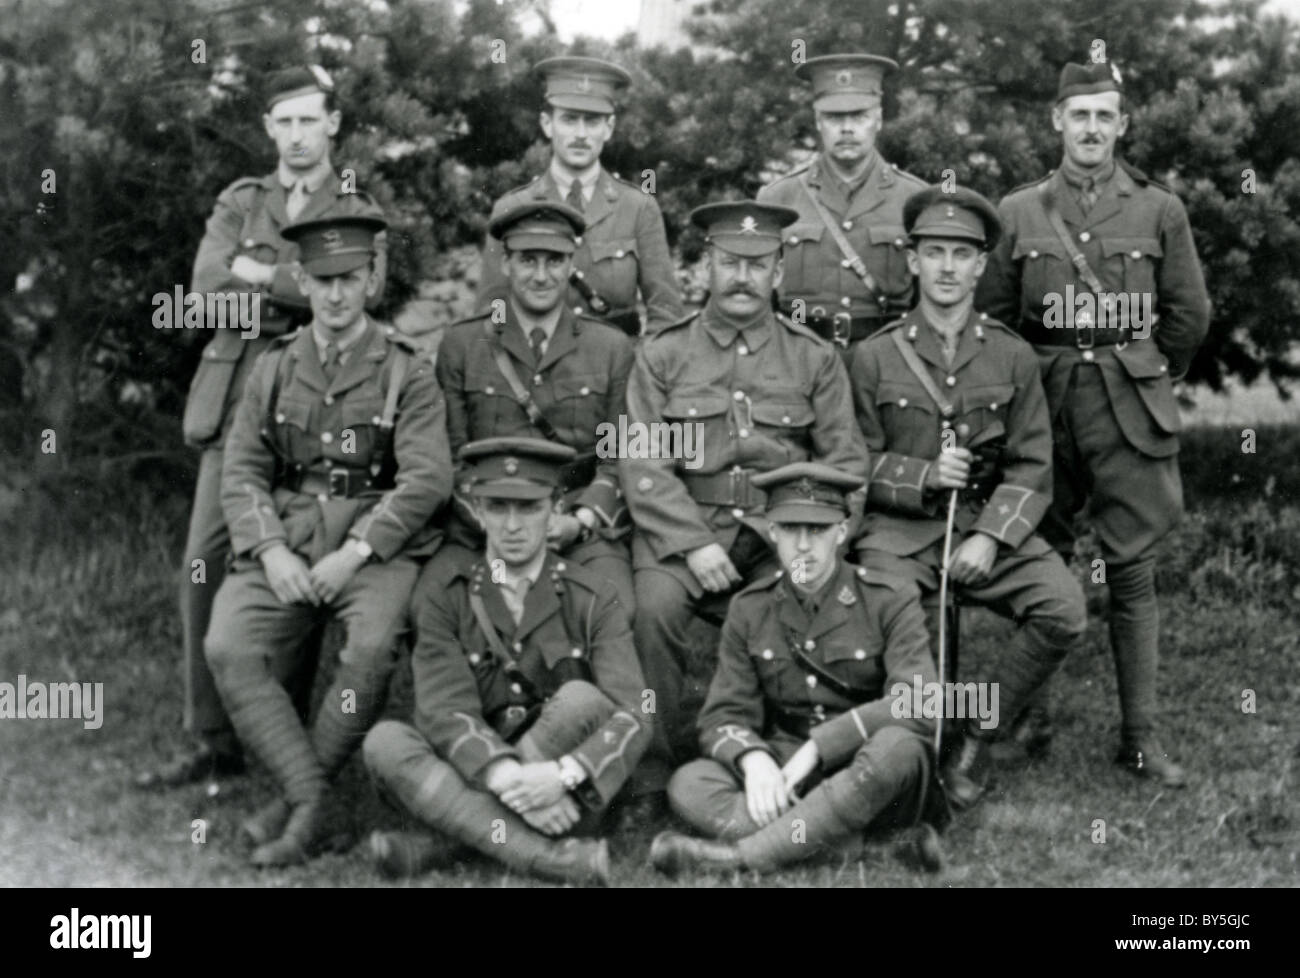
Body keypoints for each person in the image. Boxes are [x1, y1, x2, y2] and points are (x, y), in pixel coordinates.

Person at [138, 65, 388, 790]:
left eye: (311, 120)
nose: (298, 135)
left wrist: (259, 272)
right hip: (235, 416)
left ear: (333, 124)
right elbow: (205, 296)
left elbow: (363, 292)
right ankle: (213, 741)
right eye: (285, 122)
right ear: (268, 129)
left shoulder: (357, 205)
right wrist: (295, 283)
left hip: (321, 411)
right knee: (204, 568)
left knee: (305, 569)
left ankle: (285, 742)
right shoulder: (241, 200)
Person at [975, 59, 1211, 787]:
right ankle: (1032, 721)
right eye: (1079, 114)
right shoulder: (1018, 211)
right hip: (1044, 407)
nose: (1092, 128)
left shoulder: (1157, 208)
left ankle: (1140, 738)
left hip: (1125, 408)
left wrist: (1143, 372)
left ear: (1123, 124)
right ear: (1057, 121)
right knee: (1040, 556)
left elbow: (1188, 313)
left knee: (1133, 568)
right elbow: (995, 319)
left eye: (1105, 115)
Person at [204, 215, 450, 866]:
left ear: (370, 280)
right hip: (286, 533)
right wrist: (271, 549)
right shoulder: (276, 367)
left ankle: (298, 806)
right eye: (321, 281)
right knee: (227, 645)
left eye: (348, 279)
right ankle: (315, 799)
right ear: (303, 284)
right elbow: (243, 469)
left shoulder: (407, 371)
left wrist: (356, 553)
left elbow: (428, 478)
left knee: (371, 648)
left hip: (375, 546)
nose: (335, 295)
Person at [849, 186, 1086, 809]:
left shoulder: (1012, 354)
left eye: (962, 253)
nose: (948, 267)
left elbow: (1033, 463)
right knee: (894, 615)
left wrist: (990, 537)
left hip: (985, 524)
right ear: (913, 260)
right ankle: (913, 751)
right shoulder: (872, 357)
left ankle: (982, 731)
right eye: (934, 252)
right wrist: (923, 476)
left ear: (982, 264)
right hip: (900, 532)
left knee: (1063, 608)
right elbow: (855, 464)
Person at [623, 200, 869, 791]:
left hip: (779, 529)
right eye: (728, 262)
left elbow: (847, 467)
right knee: (651, 612)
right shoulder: (662, 353)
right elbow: (643, 462)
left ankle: (799, 755)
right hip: (686, 527)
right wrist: (692, 544)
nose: (741, 277)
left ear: (779, 273)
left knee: (816, 604)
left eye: (757, 265)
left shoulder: (814, 356)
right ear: (705, 267)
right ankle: (653, 771)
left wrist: (800, 538)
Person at [362, 437, 650, 886]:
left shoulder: (594, 597)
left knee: (580, 701)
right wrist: (507, 777)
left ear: (555, 509)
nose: (513, 525)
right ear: (477, 511)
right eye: (498, 507)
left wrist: (560, 775)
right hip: (492, 778)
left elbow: (636, 712)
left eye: (530, 507)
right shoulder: (447, 598)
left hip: (566, 794)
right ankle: (551, 860)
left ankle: (451, 841)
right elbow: (445, 711)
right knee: (384, 742)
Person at [650, 462, 939, 876]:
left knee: (897, 748)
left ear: (842, 532)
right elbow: (722, 716)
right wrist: (753, 759)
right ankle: (866, 848)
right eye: (790, 529)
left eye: (817, 530)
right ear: (771, 532)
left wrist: (819, 747)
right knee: (689, 782)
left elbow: (919, 704)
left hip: (867, 765)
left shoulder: (890, 598)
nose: (803, 546)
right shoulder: (750, 608)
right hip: (786, 770)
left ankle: (738, 858)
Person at [430, 201, 635, 611]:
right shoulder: (463, 346)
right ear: (506, 264)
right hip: (483, 528)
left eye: (554, 260)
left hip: (572, 525)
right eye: (527, 260)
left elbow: (618, 459)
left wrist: (581, 521)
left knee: (613, 606)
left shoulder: (611, 348)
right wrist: (498, 526)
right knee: (439, 605)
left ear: (570, 263)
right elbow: (451, 459)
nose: (541, 276)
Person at [475, 57, 682, 337]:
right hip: (536, 371)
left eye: (592, 121)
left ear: (608, 128)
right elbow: (492, 310)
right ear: (547, 124)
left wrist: (643, 373)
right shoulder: (513, 208)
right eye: (570, 119)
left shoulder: (637, 207)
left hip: (618, 372)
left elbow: (666, 312)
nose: (581, 134)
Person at [757, 53, 927, 350]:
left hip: (888, 362)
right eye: (835, 117)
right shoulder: (778, 198)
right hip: (802, 358)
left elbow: (929, 302)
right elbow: (761, 301)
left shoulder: (915, 199)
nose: (847, 128)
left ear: (879, 119)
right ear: (818, 121)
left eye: (859, 115)